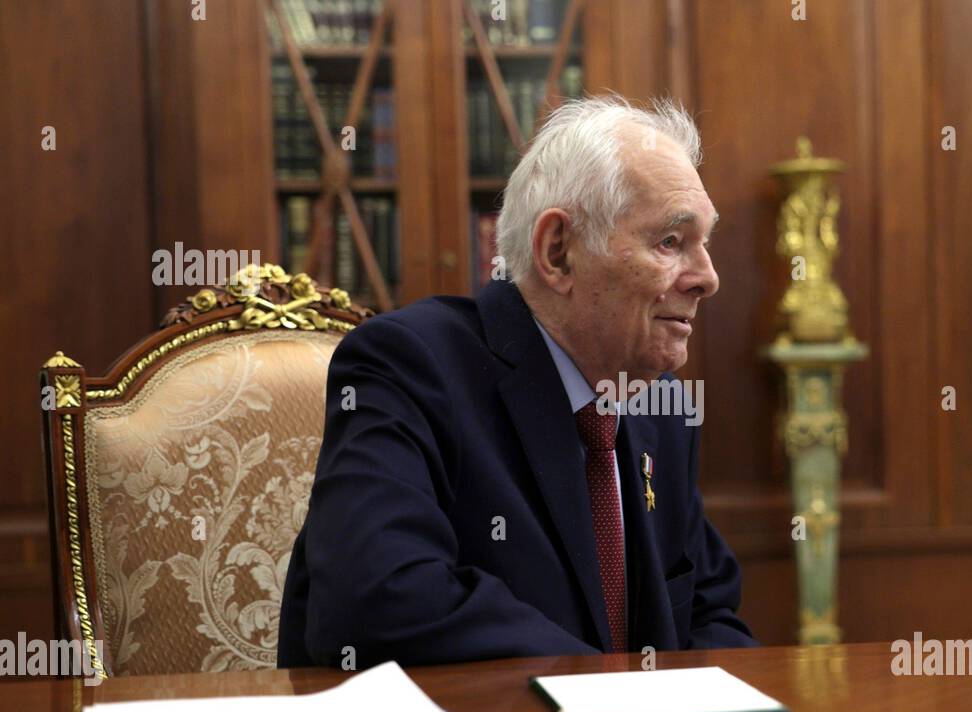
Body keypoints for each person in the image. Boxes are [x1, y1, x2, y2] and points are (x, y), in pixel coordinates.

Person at [278, 94, 757, 668]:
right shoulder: (409, 366)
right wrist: (607, 693)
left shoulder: (664, 410)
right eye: (671, 242)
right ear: (557, 252)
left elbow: (712, 615)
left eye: (705, 243)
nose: (708, 278)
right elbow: (377, 600)